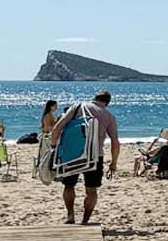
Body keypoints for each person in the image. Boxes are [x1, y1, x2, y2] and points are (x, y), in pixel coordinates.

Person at [51, 91, 120, 225]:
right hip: (95, 156)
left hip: (72, 153)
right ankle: (85, 220)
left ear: (94, 98)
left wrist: (54, 147)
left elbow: (57, 128)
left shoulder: (77, 106)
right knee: (91, 190)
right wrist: (114, 162)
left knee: (69, 185)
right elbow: (115, 142)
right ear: (107, 102)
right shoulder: (109, 116)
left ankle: (70, 216)